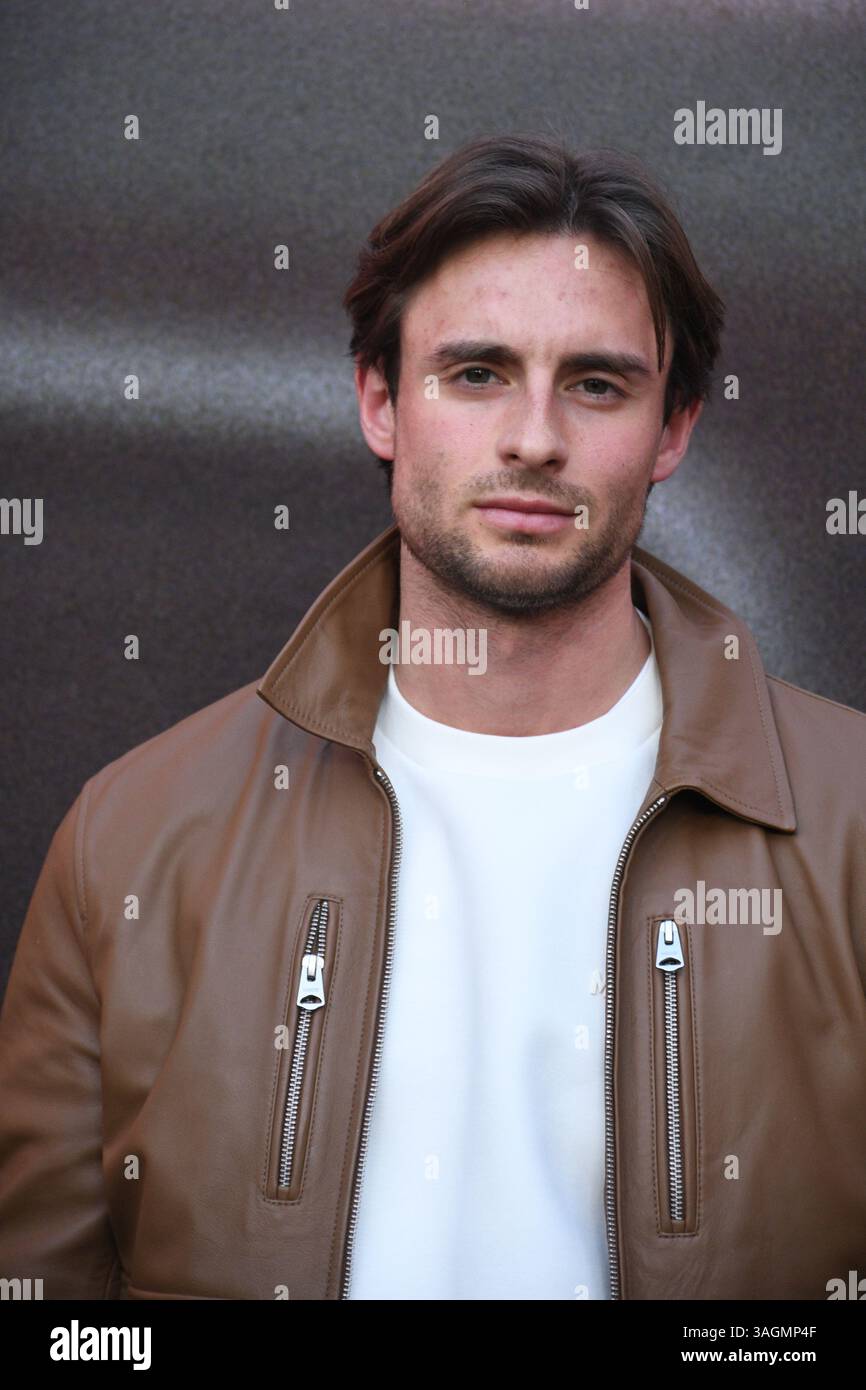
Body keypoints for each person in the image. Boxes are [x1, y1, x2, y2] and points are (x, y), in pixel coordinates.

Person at [1, 132, 864, 1302]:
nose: (532, 438)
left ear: (671, 431)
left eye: (595, 384)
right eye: (476, 374)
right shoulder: (131, 837)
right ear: (379, 402)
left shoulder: (849, 824)